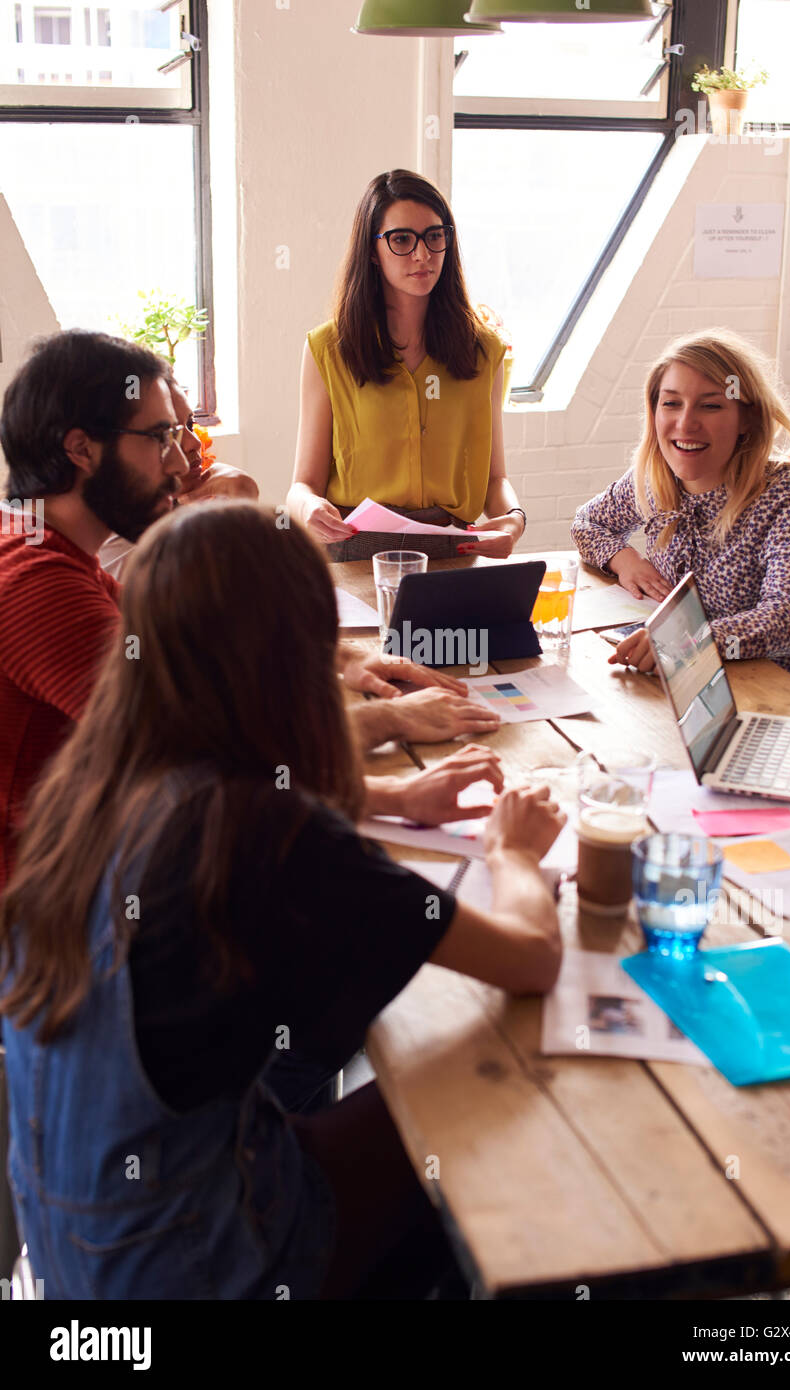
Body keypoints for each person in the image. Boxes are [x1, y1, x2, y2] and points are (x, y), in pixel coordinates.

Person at [0, 502, 565, 1300]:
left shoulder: (91, 781)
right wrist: (512, 852)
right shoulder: (273, 834)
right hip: (198, 1263)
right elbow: (531, 959)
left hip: (74, 1245)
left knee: (376, 1072)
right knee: (487, 1086)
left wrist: (391, 801)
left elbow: (221, 795)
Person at [0, 332, 501, 889]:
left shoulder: (47, 545)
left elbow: (187, 647)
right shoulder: (34, 584)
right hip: (55, 914)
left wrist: (338, 656)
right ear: (80, 449)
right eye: (159, 437)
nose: (178, 462)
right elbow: (205, 755)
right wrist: (391, 737)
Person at [570, 330, 790, 700]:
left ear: (747, 417)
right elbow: (587, 522)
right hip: (690, 692)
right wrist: (624, 559)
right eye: (671, 404)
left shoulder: (787, 491)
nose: (685, 424)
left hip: (788, 705)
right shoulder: (652, 479)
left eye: (710, 406)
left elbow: (787, 618)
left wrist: (685, 642)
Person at [287, 169, 526, 559]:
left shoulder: (484, 351)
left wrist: (514, 520)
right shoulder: (328, 349)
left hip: (452, 548)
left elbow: (494, 478)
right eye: (401, 239)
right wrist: (308, 508)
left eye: (434, 236)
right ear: (371, 250)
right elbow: (303, 485)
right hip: (355, 550)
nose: (422, 255)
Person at [97, 377, 260, 580]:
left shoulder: (172, 515)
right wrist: (243, 504)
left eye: (191, 425)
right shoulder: (119, 541)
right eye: (167, 434)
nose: (195, 443)